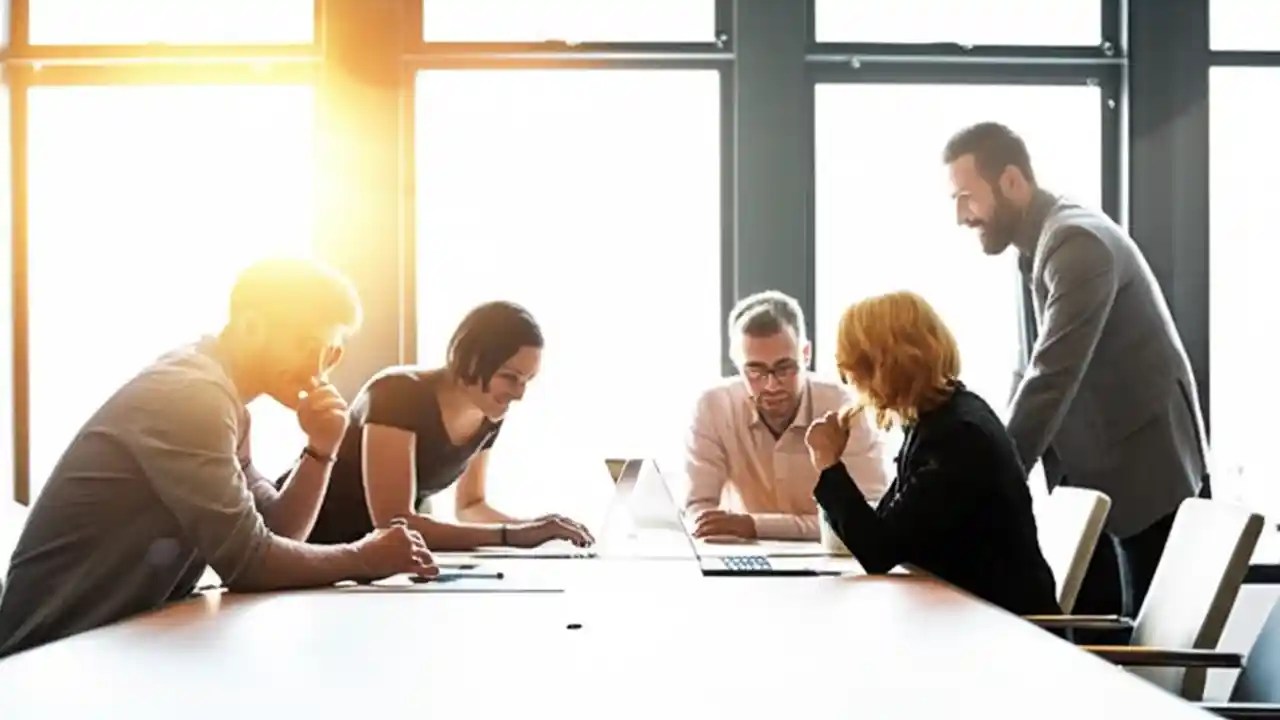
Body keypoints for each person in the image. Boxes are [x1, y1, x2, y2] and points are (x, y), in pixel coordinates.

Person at [0, 257, 435, 659]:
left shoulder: (224, 401)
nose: (319, 367)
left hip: (106, 647)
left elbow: (279, 530)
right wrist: (364, 557)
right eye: (307, 344)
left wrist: (322, 448)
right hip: (44, 657)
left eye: (332, 352)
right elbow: (247, 562)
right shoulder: (192, 395)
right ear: (250, 326)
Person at [943, 121, 1209, 622]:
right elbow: (1027, 369)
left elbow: (1051, 375)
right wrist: (988, 457)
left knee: (1145, 643)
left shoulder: (1076, 242)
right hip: (1094, 473)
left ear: (1012, 181)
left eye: (966, 197)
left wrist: (996, 480)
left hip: (1144, 475)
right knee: (1086, 630)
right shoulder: (1036, 246)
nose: (961, 216)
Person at [805, 291, 1060, 616]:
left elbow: (878, 550)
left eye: (857, 368)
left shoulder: (957, 436)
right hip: (961, 612)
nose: (850, 380)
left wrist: (828, 464)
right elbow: (886, 528)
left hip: (1000, 625)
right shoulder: (939, 419)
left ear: (888, 364)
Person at [297, 300, 594, 551]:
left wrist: (539, 530)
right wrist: (513, 536)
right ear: (471, 359)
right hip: (308, 546)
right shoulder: (397, 393)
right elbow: (393, 523)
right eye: (509, 377)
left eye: (527, 380)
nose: (519, 394)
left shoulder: (488, 413)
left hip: (364, 561)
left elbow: (470, 506)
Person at [682, 290, 888, 541]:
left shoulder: (844, 409)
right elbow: (698, 512)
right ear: (737, 364)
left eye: (784, 368)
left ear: (806, 354)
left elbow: (869, 517)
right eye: (755, 371)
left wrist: (753, 526)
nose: (771, 385)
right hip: (745, 554)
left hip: (829, 559)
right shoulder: (714, 407)